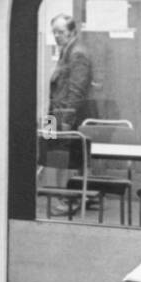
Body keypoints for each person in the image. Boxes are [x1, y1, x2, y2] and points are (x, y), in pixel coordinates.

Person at [47, 14, 94, 216]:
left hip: (66, 116)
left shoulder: (77, 53)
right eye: (55, 32)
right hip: (56, 114)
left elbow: (77, 91)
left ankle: (70, 198)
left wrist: (66, 121)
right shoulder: (67, 51)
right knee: (53, 154)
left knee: (67, 159)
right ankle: (68, 195)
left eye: (61, 32)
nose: (57, 36)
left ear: (72, 32)